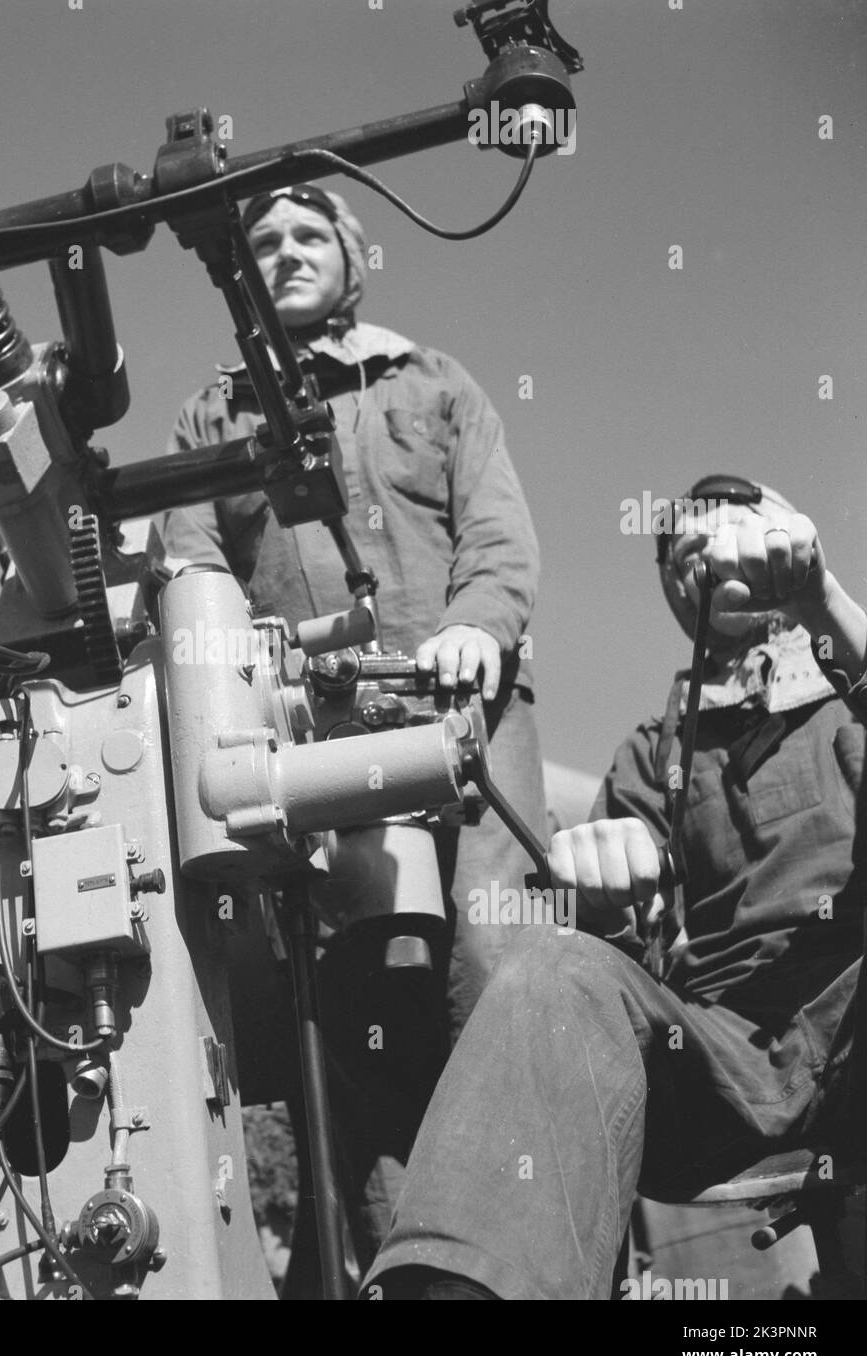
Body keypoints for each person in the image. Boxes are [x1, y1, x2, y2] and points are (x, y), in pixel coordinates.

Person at [158, 184, 548, 1278]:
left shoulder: (434, 382)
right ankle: (404, 1276)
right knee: (363, 1004)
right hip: (314, 743)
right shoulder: (214, 412)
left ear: (353, 252)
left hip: (465, 716)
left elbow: (500, 536)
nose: (282, 255)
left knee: (498, 976)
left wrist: (475, 629)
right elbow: (190, 570)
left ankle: (532, 1267)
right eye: (262, 244)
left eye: (304, 236)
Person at [363, 478, 867, 1299]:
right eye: (681, 552)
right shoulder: (650, 755)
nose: (702, 557)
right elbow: (624, 951)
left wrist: (824, 598)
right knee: (551, 973)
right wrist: (601, 904)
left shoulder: (847, 677)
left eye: (730, 529)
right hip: (720, 1060)